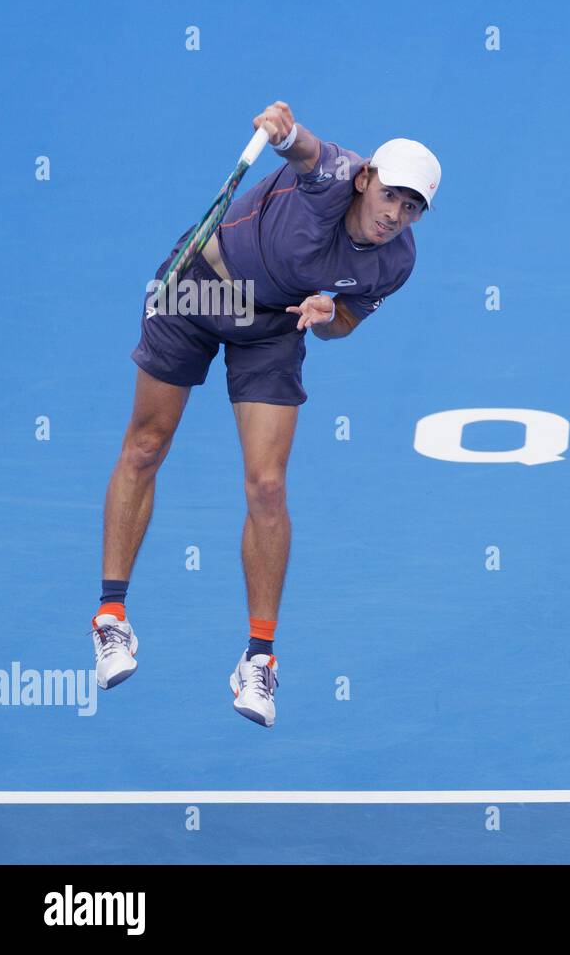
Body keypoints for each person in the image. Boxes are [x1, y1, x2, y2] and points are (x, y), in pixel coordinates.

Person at [90, 101, 441, 727]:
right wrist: (283, 128)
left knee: (268, 486)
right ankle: (111, 618)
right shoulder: (335, 172)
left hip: (273, 325)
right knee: (146, 445)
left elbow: (349, 319)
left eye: (412, 207)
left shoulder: (397, 261)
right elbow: (303, 147)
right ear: (366, 180)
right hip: (199, 285)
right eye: (391, 195)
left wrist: (332, 317)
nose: (396, 215)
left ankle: (259, 659)